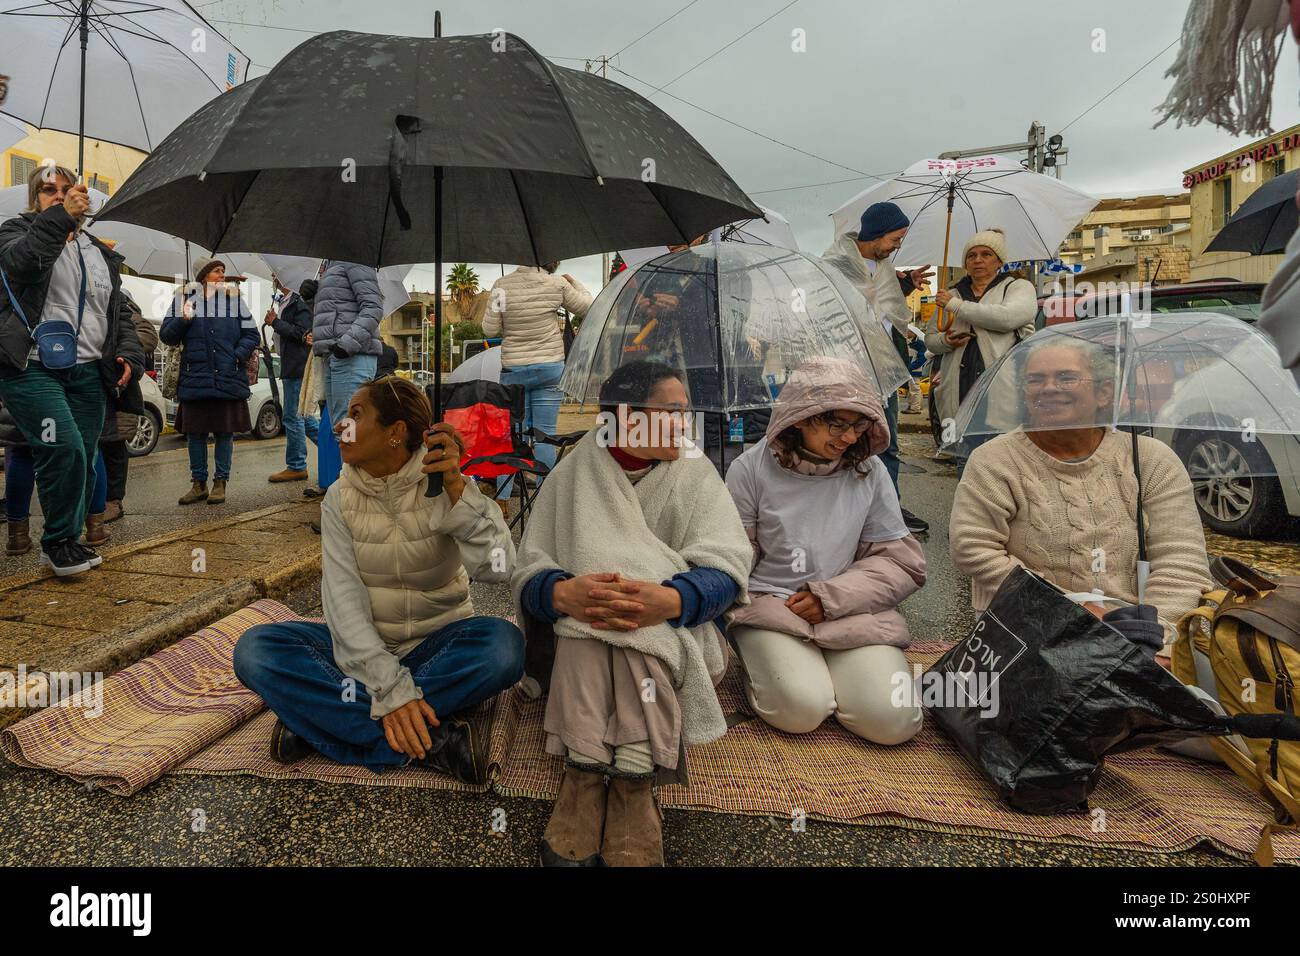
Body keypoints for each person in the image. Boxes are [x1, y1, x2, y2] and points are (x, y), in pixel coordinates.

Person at [513, 360, 752, 867]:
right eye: (672, 411)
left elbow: (728, 567)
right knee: (589, 618)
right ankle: (584, 773)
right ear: (626, 416)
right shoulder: (576, 471)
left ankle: (632, 781)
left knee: (636, 627)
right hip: (582, 635)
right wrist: (560, 594)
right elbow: (530, 566)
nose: (684, 426)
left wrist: (672, 600)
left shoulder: (695, 471)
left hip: (673, 628)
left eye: (686, 413)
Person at [233, 375, 524, 782]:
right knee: (255, 649)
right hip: (360, 657)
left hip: (437, 649)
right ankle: (436, 742)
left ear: (395, 433)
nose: (339, 425)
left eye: (355, 414)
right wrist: (391, 690)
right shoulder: (338, 498)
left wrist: (461, 491)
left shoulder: (444, 482)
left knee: (504, 647)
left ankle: (321, 728)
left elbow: (498, 569)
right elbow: (343, 602)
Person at [950, 337, 1214, 644]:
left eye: (1066, 377)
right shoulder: (994, 460)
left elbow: (1181, 562)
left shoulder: (1151, 460)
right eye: (1035, 380)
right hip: (1029, 627)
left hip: (1137, 633)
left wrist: (1154, 634)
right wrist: (1073, 613)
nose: (1048, 388)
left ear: (1103, 393)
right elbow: (973, 548)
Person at [725, 357, 926, 743]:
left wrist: (831, 598)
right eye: (837, 423)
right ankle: (772, 668)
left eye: (860, 423)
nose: (850, 437)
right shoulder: (749, 469)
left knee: (893, 720)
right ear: (800, 417)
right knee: (800, 709)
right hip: (773, 610)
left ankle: (824, 675)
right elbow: (733, 555)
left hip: (850, 607)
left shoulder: (871, 471)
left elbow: (900, 562)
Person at [0, 165, 145, 576]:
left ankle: (66, 539)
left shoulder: (98, 251)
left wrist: (128, 357)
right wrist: (61, 217)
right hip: (32, 366)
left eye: (67, 190)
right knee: (60, 446)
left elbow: (118, 316)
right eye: (49, 190)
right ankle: (58, 541)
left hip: (86, 373)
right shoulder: (15, 232)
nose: (59, 195)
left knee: (83, 455)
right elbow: (24, 265)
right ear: (36, 197)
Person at [823, 201, 933, 534]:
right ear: (877, 234)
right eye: (895, 238)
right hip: (849, 371)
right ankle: (843, 513)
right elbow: (841, 305)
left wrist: (906, 283)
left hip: (883, 370)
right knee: (846, 442)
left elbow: (882, 303)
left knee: (888, 442)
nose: (898, 245)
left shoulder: (886, 268)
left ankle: (890, 509)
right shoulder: (835, 264)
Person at [482, 262, 592, 499]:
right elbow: (587, 307)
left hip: (514, 370)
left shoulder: (501, 286)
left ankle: (502, 497)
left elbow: (489, 330)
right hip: (550, 367)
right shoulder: (556, 284)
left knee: (512, 437)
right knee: (546, 435)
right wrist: (575, 283)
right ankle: (545, 498)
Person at [160, 257, 258, 507]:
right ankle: (198, 484)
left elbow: (252, 334)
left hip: (228, 374)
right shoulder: (183, 300)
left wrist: (237, 355)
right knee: (196, 433)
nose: (222, 275)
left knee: (224, 432)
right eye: (217, 271)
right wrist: (183, 319)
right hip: (195, 376)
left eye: (223, 271)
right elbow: (167, 337)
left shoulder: (236, 302)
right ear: (204, 276)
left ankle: (220, 482)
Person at [925, 229, 1037, 441]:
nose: (978, 260)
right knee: (963, 462)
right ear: (965, 263)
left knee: (1002, 460)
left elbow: (1007, 318)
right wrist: (946, 341)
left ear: (999, 261)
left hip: (1002, 394)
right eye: (971, 255)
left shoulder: (1017, 287)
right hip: (959, 393)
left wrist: (954, 306)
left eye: (986, 254)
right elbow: (931, 340)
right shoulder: (952, 294)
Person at [100, 290, 159, 524]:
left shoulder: (122, 302)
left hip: (119, 390)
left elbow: (147, 335)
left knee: (113, 445)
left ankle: (113, 501)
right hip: (90, 385)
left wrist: (120, 350)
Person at [311, 261, 384, 428]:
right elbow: (332, 314)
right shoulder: (331, 263)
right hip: (335, 355)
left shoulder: (354, 258)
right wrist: (312, 297)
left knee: (350, 429)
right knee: (342, 430)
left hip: (352, 356)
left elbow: (373, 307)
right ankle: (345, 455)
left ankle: (354, 455)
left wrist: (348, 343)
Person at [265, 278, 319, 483]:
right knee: (304, 417)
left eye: (275, 274)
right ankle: (337, 453)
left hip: (297, 366)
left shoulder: (299, 301)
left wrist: (276, 323)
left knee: (293, 417)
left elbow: (303, 333)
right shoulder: (286, 302)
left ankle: (296, 465)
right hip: (291, 366)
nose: (273, 277)